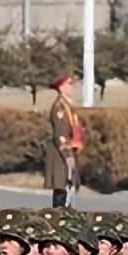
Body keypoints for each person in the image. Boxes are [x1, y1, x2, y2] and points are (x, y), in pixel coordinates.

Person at [45, 76, 83, 209]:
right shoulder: (60, 108)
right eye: (68, 85)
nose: (71, 88)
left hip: (68, 150)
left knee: (67, 187)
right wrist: (67, 155)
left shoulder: (68, 105)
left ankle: (64, 214)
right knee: (61, 188)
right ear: (61, 88)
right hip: (60, 154)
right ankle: (58, 216)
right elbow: (60, 134)